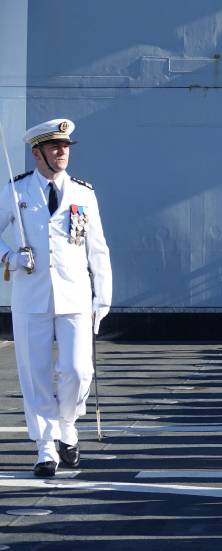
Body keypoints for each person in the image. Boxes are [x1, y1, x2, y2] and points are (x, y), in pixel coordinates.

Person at [0, 118, 111, 477]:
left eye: (65, 147)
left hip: (75, 295)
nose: (62, 152)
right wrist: (10, 257)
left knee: (79, 371)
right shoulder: (16, 193)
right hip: (31, 296)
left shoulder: (83, 193)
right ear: (38, 153)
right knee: (35, 373)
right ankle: (45, 446)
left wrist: (102, 298)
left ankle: (67, 426)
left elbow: (98, 250)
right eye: (54, 147)